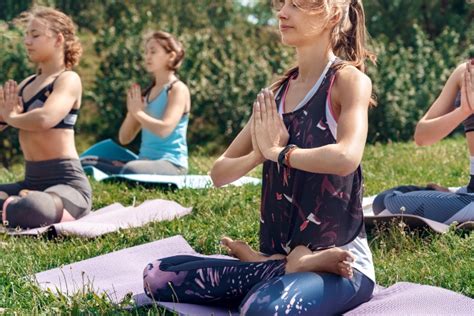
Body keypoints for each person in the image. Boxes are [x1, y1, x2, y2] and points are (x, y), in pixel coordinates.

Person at [142, 1, 376, 314]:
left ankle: (286, 264)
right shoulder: (276, 94)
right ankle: (285, 265)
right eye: (282, 4)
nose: (282, 13)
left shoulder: (347, 81)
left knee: (262, 310)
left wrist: (280, 153)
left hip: (344, 266)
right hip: (281, 263)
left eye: (296, 5)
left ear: (331, 14)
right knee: (158, 276)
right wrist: (259, 153)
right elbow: (219, 173)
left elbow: (346, 156)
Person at [0, 6, 92, 229]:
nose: (27, 41)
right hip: (31, 181)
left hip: (67, 184)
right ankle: (13, 204)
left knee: (34, 208)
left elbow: (44, 119)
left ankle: (13, 205)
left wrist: (11, 116)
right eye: (26, 35)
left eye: (35, 35)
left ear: (58, 39)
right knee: (29, 202)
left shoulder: (67, 79)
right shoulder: (26, 85)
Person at [373, 59, 474, 225]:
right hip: (471, 191)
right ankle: (459, 197)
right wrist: (463, 111)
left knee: (387, 204)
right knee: (387, 199)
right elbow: (422, 136)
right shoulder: (465, 72)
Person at [82, 31, 191, 176]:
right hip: (144, 162)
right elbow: (124, 138)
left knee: (131, 169)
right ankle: (122, 169)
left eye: (153, 52)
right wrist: (132, 112)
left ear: (170, 56)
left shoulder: (177, 89)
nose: (148, 56)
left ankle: (123, 169)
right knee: (85, 161)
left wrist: (138, 113)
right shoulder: (146, 93)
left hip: (172, 165)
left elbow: (164, 130)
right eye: (146, 52)